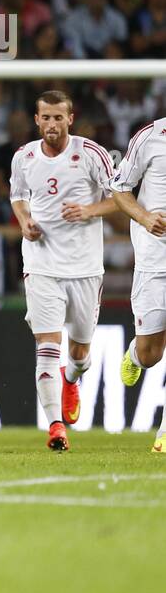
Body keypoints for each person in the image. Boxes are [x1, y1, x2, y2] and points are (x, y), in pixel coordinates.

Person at [8, 90, 119, 451]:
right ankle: (56, 426)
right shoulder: (23, 157)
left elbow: (120, 197)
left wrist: (89, 211)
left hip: (85, 267)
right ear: (36, 120)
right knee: (46, 345)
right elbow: (18, 196)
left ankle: (72, 379)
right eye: (46, 118)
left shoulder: (92, 154)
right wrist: (25, 221)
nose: (52, 124)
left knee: (81, 353)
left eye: (59, 117)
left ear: (70, 119)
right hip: (41, 263)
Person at [112, 115, 166, 454]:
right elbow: (120, 188)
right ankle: (135, 353)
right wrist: (145, 217)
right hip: (154, 259)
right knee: (151, 354)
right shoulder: (151, 136)